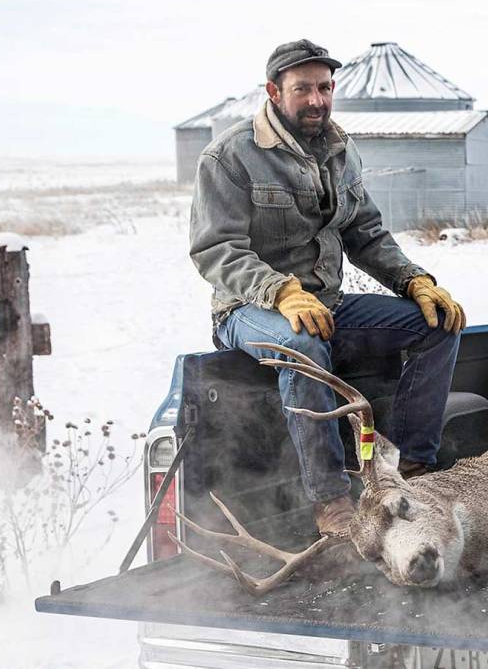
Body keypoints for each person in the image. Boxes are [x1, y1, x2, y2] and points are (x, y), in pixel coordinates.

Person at [189, 39, 466, 537]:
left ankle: (409, 470)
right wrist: (281, 292)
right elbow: (215, 251)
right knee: (302, 346)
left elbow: (365, 232)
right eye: (302, 90)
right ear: (274, 92)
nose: (316, 100)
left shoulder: (339, 149)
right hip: (246, 308)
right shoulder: (229, 156)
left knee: (437, 326)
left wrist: (414, 280)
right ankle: (331, 499)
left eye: (323, 88)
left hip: (326, 303)